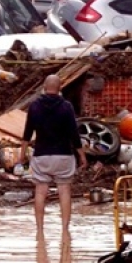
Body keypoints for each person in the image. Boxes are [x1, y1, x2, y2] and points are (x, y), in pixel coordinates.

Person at [20, 75, 86, 237]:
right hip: (63, 155)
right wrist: (82, 155)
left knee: (41, 191)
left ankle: (40, 230)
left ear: (44, 86)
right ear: (60, 87)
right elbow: (74, 134)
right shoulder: (67, 107)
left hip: (41, 155)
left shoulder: (34, 106)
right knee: (64, 191)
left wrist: (22, 154)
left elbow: (27, 133)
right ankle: (64, 230)